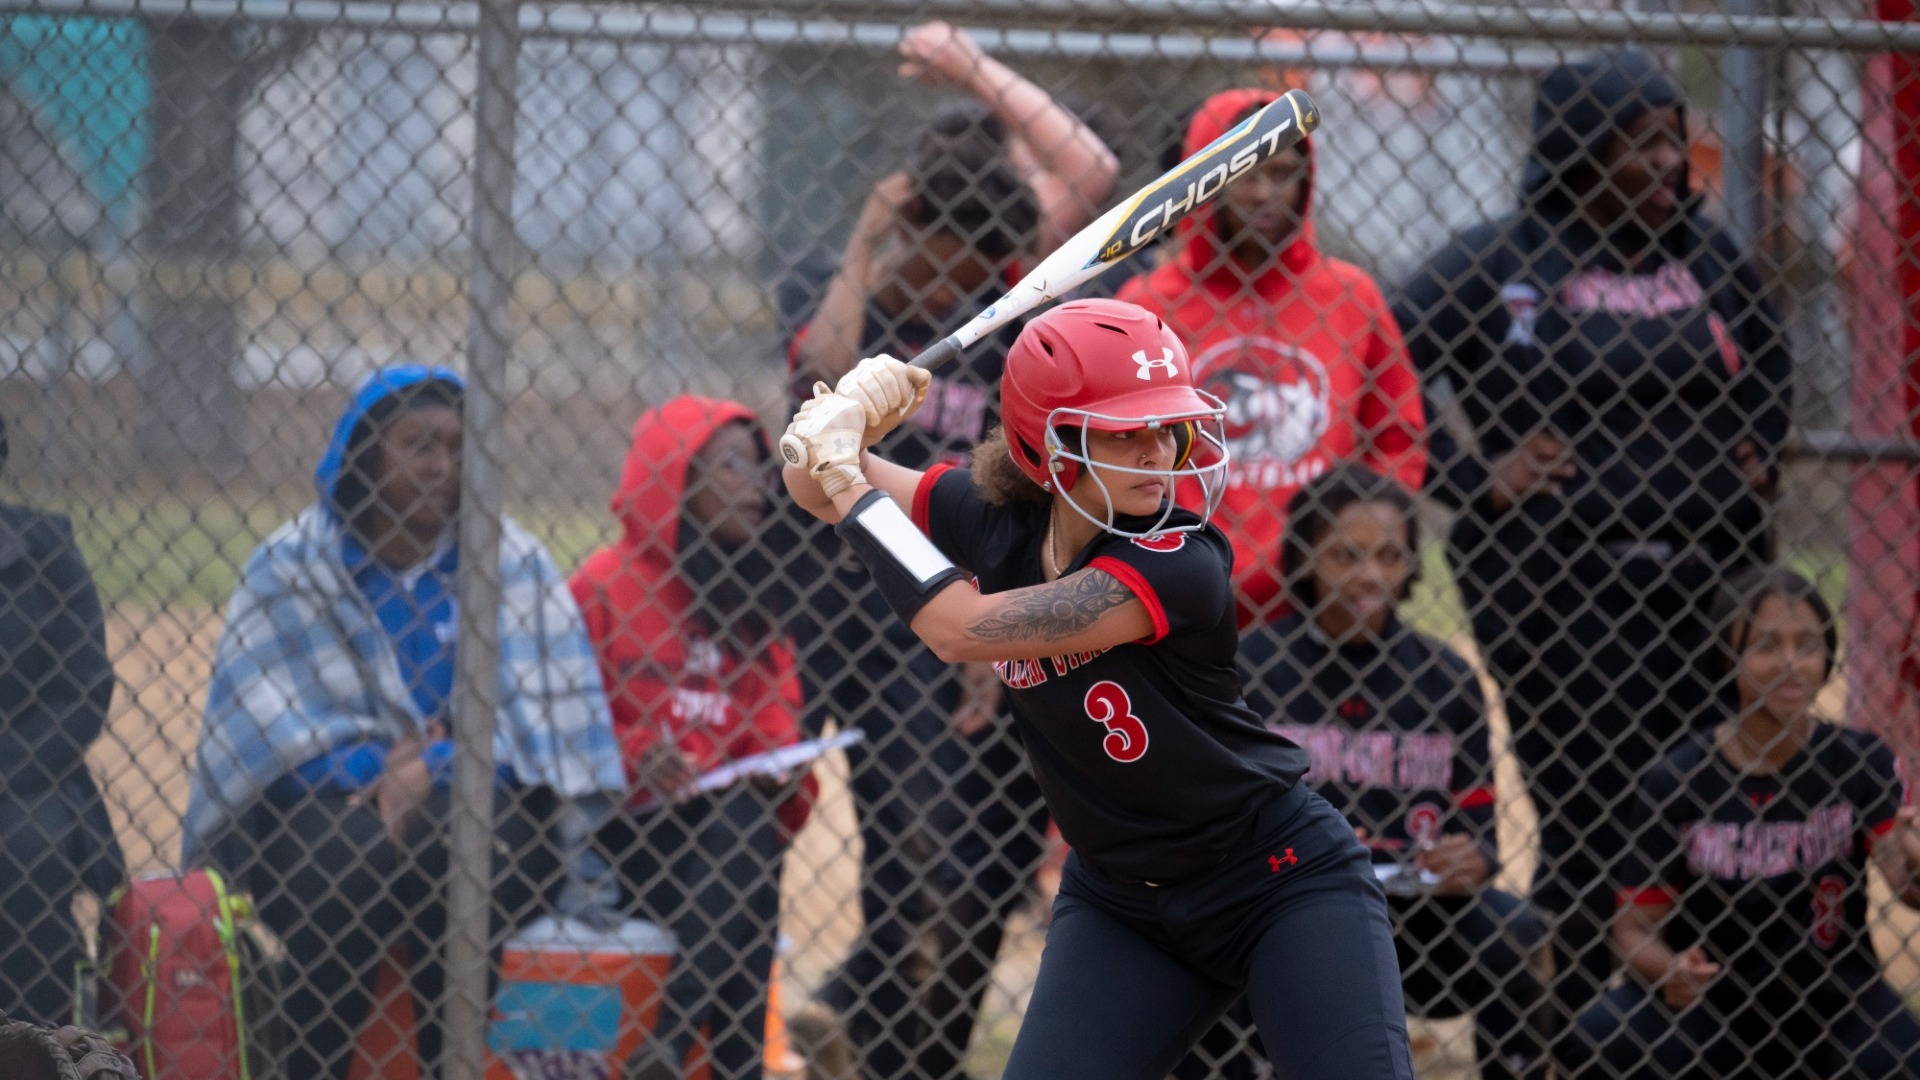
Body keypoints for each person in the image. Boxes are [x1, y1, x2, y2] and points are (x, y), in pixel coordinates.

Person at [779, 298, 1414, 1080]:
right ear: (1051, 448)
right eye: (1125, 433)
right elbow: (815, 487)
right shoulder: (996, 520)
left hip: (1277, 879)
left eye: (1167, 428)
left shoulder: (1178, 556)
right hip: (1122, 902)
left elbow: (958, 628)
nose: (1158, 453)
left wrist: (847, 470)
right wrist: (838, 424)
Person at [1391, 49, 1793, 1021]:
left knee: (1700, 809)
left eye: (1673, 139)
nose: (1669, 162)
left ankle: (1685, 1027)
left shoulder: (1705, 260)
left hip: (1709, 586)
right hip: (1563, 596)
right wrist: (1474, 477)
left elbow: (1774, 360)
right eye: (1642, 143)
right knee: (1594, 817)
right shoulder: (1506, 257)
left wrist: (1758, 450)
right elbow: (1388, 357)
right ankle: (1554, 1030)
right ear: (1580, 151)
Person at [183, 366, 625, 1079]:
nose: (440, 465)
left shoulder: (510, 563)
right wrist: (370, 768)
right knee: (345, 859)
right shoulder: (294, 566)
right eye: (416, 444)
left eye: (455, 446)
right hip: (330, 804)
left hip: (477, 798)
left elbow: (553, 729)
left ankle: (448, 1065)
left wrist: (438, 765)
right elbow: (258, 730)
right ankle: (309, 1067)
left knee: (465, 840)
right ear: (363, 455)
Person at [778, 56, 1075, 1079]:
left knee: (920, 854)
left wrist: (985, 622)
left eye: (967, 275)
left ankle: (877, 1032)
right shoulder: (837, 279)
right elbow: (816, 380)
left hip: (922, 609)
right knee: (777, 815)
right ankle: (803, 1015)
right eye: (936, 262)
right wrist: (867, 241)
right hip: (821, 602)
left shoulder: (997, 330)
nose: (950, 290)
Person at [1181, 464, 1545, 1080]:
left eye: (1389, 556)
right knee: (1194, 948)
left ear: (1410, 565)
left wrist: (1471, 859)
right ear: (1303, 559)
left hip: (1416, 922)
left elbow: (1482, 831)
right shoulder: (1252, 667)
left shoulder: (1445, 677)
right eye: (1346, 555)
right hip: (1283, 910)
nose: (1370, 576)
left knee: (1514, 931)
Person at [1560, 567, 1920, 1078]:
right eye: (1766, 646)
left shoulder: (1857, 762)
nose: (1791, 663)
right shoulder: (1678, 779)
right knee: (1603, 1035)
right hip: (1715, 1007)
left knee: (1901, 1058)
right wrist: (1670, 970)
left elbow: (1904, 883)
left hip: (1836, 1001)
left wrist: (1911, 853)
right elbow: (1633, 926)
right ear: (1728, 660)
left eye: (1808, 644)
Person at [1118, 88, 1426, 628]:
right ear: (1204, 182)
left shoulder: (1350, 296)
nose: (1265, 192)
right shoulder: (1145, 306)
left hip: (1315, 606)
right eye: (1246, 175)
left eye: (1284, 172)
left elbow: (1396, 436)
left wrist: (1355, 545)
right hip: (1181, 598)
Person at [571, 397, 809, 1080]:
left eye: (761, 470)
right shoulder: (603, 587)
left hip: (713, 842)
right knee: (751, 878)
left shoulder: (751, 600)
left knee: (747, 829)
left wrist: (782, 773)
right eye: (731, 467)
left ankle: (668, 1051)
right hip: (618, 836)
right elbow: (563, 727)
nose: (757, 488)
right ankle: (711, 1061)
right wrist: (638, 754)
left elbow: (775, 723)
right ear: (672, 476)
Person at [0, 413, 125, 1025]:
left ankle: (35, 1042)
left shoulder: (44, 549)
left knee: (30, 843)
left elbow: (84, 686)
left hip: (27, 774)